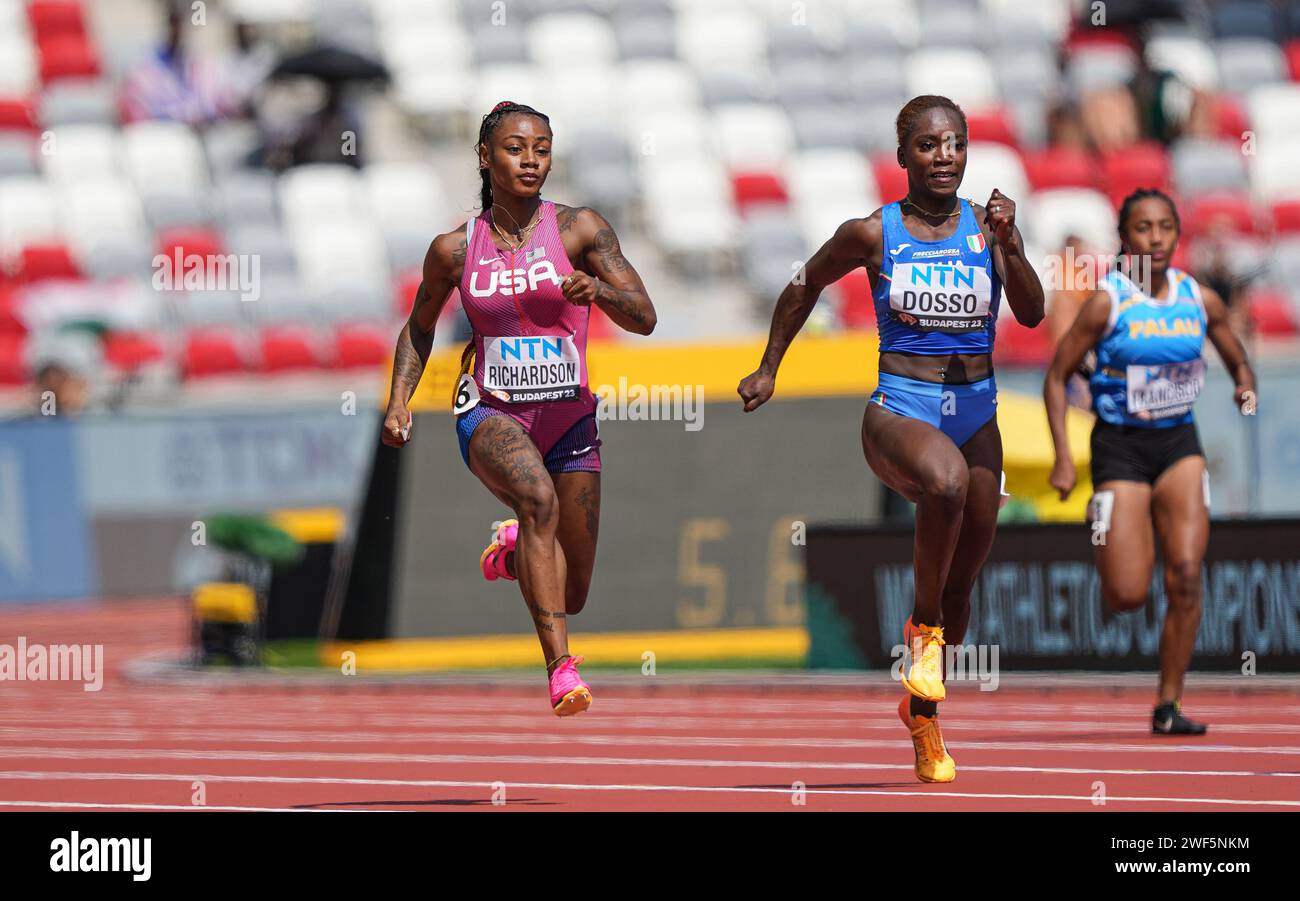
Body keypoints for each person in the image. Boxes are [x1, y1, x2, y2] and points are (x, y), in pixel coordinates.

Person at [738, 95, 1045, 782]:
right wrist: (768, 365)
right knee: (945, 483)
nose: (945, 157)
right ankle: (921, 635)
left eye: (957, 144)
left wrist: (1014, 246)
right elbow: (803, 282)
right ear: (903, 153)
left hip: (976, 415)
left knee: (962, 594)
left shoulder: (987, 230)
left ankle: (922, 713)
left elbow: (1030, 311)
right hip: (897, 411)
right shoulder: (872, 234)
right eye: (930, 145)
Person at [381, 101, 657, 716]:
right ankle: (561, 669)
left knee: (573, 590)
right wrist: (399, 401)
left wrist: (600, 290)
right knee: (538, 500)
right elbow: (419, 327)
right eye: (514, 148)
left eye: (541, 148)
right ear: (485, 157)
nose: (530, 160)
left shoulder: (581, 230)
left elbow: (645, 317)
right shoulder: (455, 250)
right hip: (490, 411)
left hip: (570, 420)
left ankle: (513, 549)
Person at [1044, 188, 1256, 735]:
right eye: (1143, 228)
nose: (1156, 238)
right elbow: (1056, 375)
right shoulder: (1106, 302)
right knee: (1127, 594)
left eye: (1165, 227)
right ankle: (1105, 518)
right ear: (1125, 238)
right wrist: (1064, 458)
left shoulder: (1199, 299)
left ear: (1177, 234)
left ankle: (1168, 705)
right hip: (1119, 447)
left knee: (1186, 573)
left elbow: (1235, 354)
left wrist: (1244, 387)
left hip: (1179, 444)